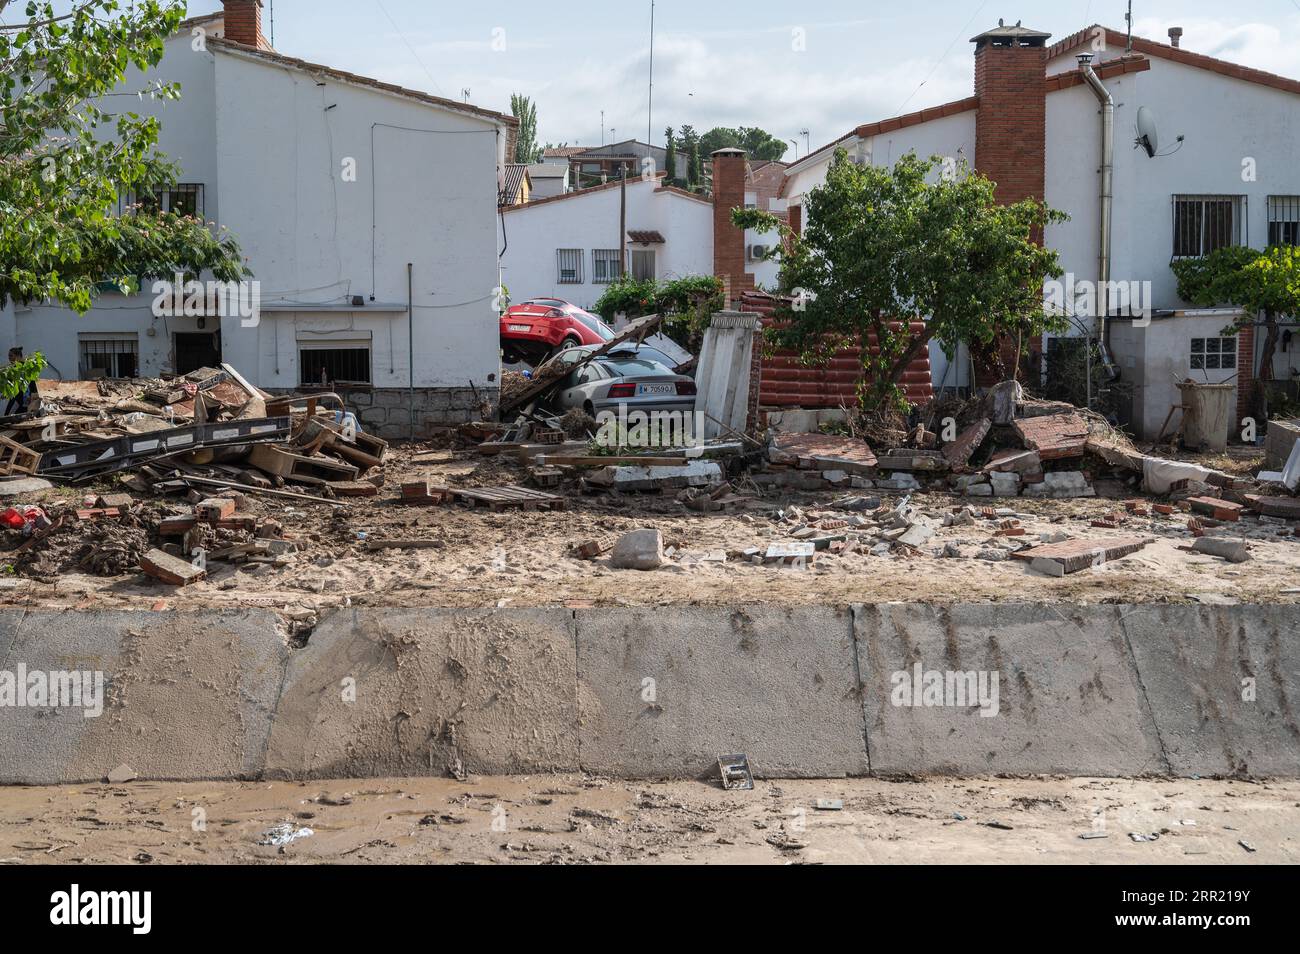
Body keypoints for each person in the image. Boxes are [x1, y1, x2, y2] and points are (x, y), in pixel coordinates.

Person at [4, 347, 38, 416]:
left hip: (20, 399)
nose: (9, 358)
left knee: (7, 417)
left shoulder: (19, 368)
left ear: (18, 356)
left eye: (11, 355)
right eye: (8, 356)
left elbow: (32, 383)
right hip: (24, 400)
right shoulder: (25, 366)